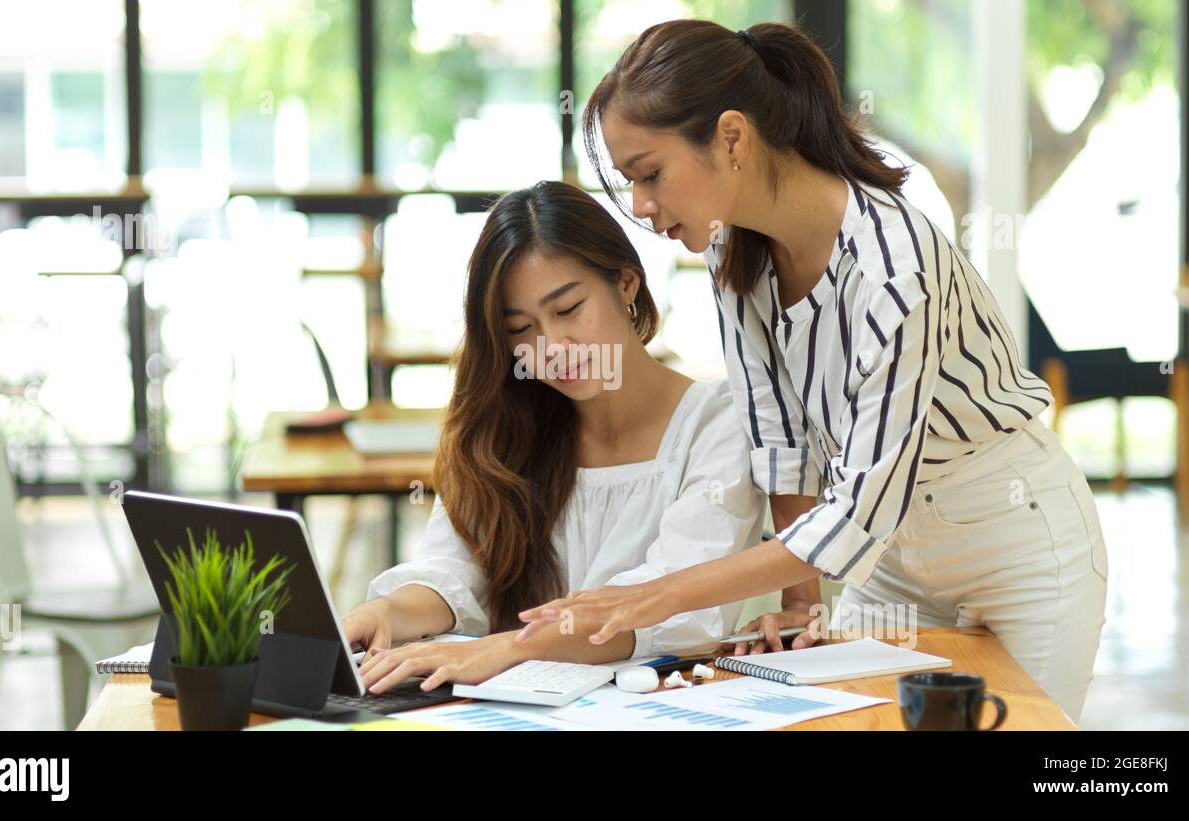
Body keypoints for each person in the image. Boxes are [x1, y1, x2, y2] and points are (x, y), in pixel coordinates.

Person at [515, 20, 1107, 723]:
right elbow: (783, 445)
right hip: (889, 564)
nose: (640, 206)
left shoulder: (895, 268)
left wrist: (656, 593)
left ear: (731, 138)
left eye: (649, 173)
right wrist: (800, 605)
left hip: (1018, 553)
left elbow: (855, 515)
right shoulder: (732, 252)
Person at [340, 180, 767, 695]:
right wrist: (387, 611)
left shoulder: (716, 424)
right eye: (521, 328)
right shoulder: (507, 432)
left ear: (626, 283)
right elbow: (455, 569)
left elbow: (669, 607)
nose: (551, 347)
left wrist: (502, 650)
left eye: (567, 310)